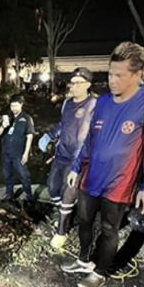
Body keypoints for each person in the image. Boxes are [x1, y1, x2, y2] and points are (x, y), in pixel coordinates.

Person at [63, 42, 144, 287]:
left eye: (119, 75)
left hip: (121, 181)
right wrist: (77, 166)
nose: (112, 80)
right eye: (110, 73)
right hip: (91, 176)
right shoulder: (103, 102)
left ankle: (100, 272)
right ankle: (84, 260)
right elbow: (90, 140)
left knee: (110, 228)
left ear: (138, 74)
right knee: (84, 220)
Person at [43, 68, 97, 250]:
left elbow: (89, 135)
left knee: (68, 192)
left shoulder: (93, 105)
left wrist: (78, 165)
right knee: (52, 188)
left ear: (88, 85)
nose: (73, 86)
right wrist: (50, 135)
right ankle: (65, 213)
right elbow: (63, 125)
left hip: (79, 158)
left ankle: (61, 231)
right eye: (72, 83)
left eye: (78, 83)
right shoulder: (66, 103)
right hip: (61, 154)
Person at [0, 94, 35, 203]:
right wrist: (3, 125)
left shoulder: (27, 118)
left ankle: (29, 195)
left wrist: (26, 153)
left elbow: (30, 136)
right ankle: (9, 194)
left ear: (21, 105)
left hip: (18, 153)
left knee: (24, 175)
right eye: (12, 106)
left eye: (16, 106)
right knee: (7, 175)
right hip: (6, 152)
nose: (14, 108)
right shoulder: (8, 117)